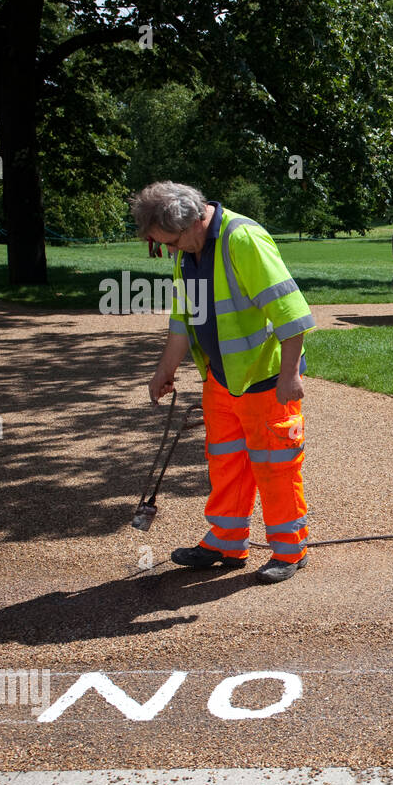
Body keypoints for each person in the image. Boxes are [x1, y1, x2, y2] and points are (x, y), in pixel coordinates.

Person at [132, 181, 314, 584]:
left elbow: (292, 312)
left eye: (172, 242)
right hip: (222, 380)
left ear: (195, 222)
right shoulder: (188, 251)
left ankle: (290, 551)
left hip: (267, 382)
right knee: (226, 463)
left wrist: (290, 376)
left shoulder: (243, 239)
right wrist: (165, 370)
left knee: (275, 468)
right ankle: (226, 544)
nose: (171, 251)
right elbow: (183, 320)